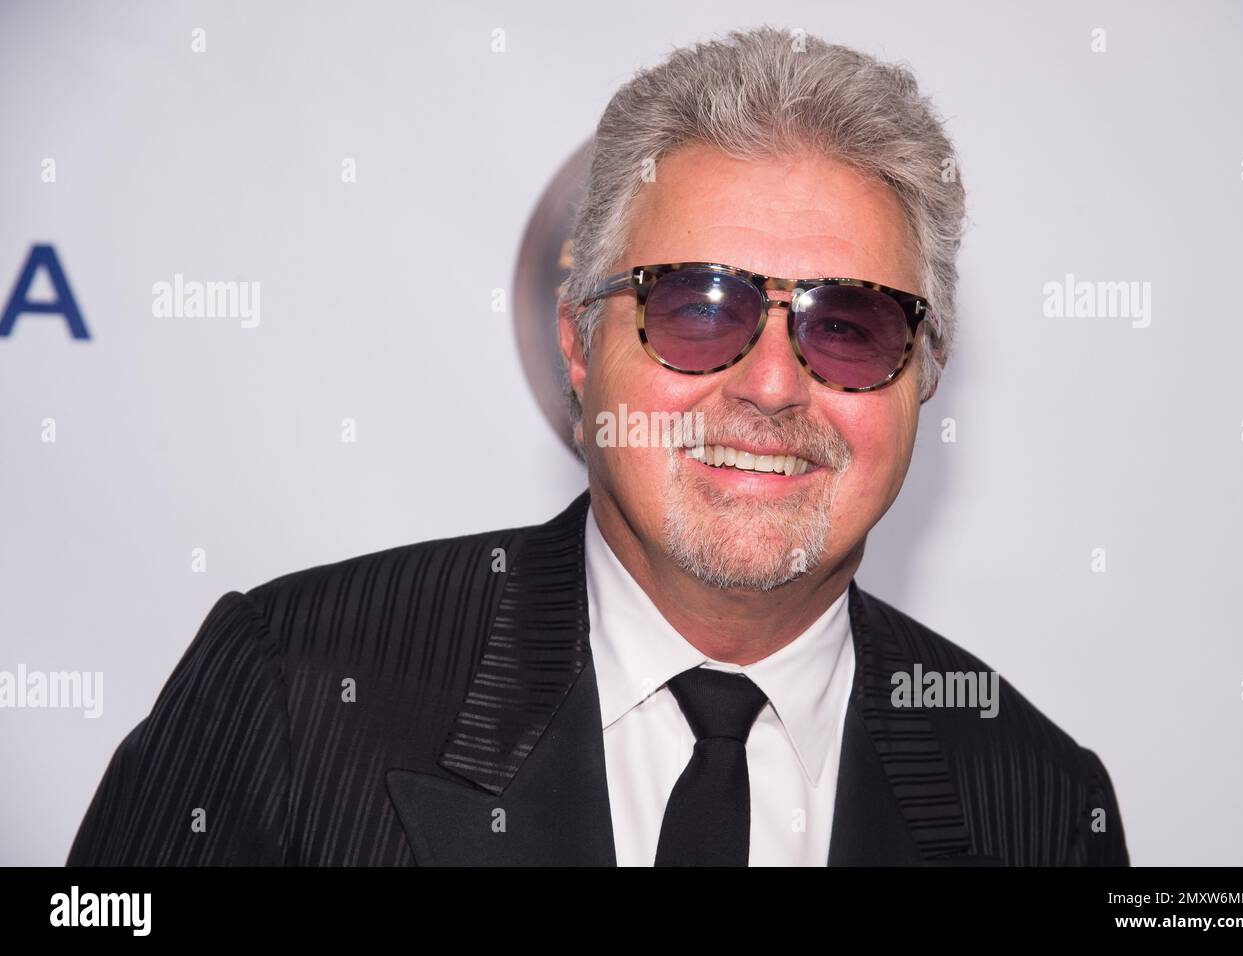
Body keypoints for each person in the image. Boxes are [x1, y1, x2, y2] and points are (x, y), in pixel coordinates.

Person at [67, 26, 1128, 867]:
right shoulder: (292, 687)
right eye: (697, 308)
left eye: (847, 326)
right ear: (579, 344)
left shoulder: (1039, 800)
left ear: (924, 373)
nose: (768, 384)